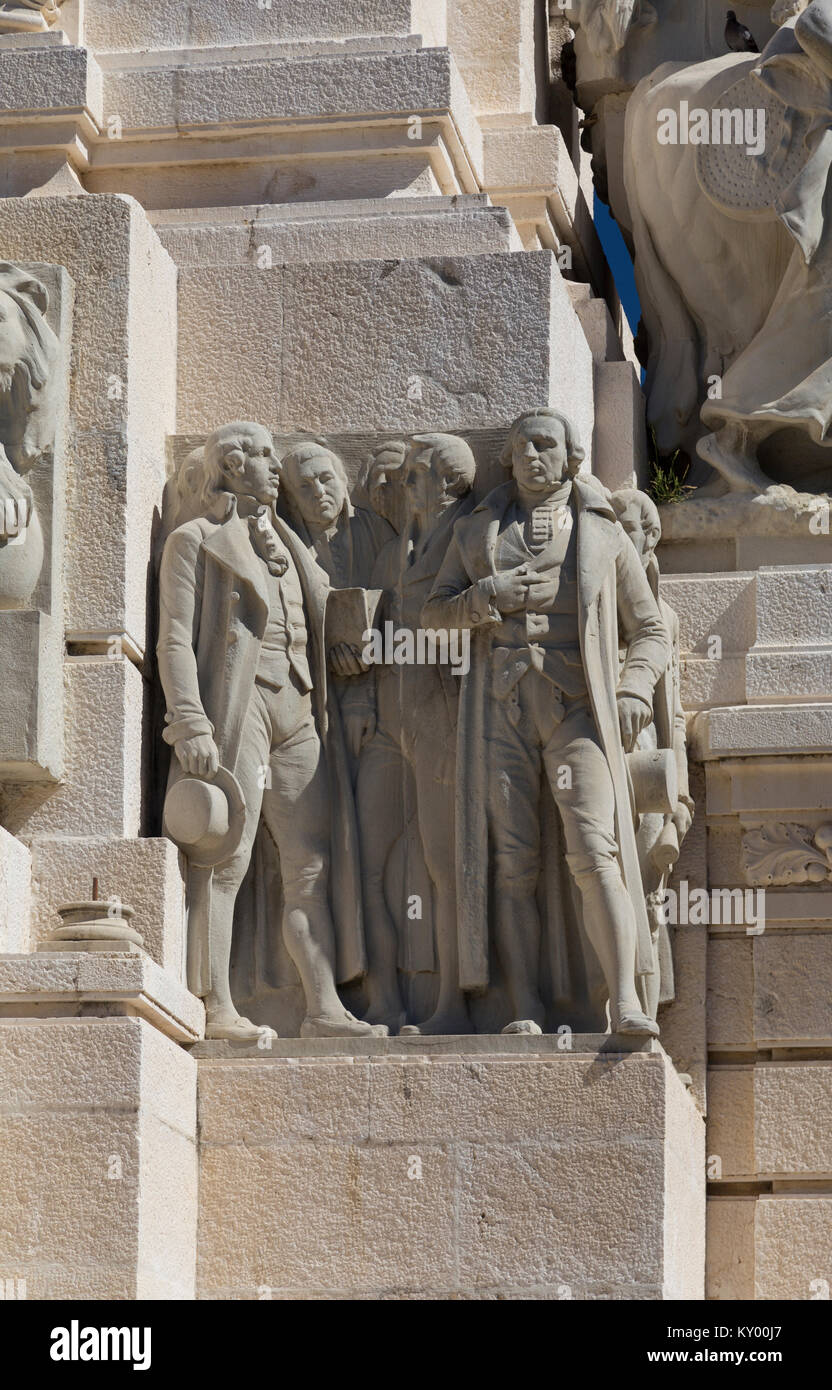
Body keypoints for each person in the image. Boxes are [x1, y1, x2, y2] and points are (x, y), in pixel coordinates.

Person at [423, 408, 669, 1036]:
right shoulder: (478, 530)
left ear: (570, 457)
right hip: (500, 711)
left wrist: (636, 686)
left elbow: (650, 628)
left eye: (545, 445)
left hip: (578, 711)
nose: (533, 455)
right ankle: (524, 1008)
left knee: (596, 851)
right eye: (522, 446)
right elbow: (432, 614)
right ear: (508, 458)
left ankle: (626, 1002)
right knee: (513, 862)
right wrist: (488, 598)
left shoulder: (604, 534)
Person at [157, 420, 385, 1041]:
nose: (271, 464)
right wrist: (190, 718)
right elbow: (174, 641)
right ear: (229, 468)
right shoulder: (194, 541)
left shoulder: (290, 543)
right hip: (240, 704)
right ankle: (215, 1005)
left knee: (311, 863)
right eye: (258, 455)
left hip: (300, 710)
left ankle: (323, 1008)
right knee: (225, 854)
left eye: (270, 453)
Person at [612, 487, 694, 1017]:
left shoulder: (663, 615)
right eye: (612, 523)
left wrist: (679, 802)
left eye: (631, 526)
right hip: (589, 754)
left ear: (650, 537)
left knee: (644, 892)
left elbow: (675, 715)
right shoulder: (585, 601)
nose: (621, 534)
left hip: (645, 764)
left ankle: (643, 1014)